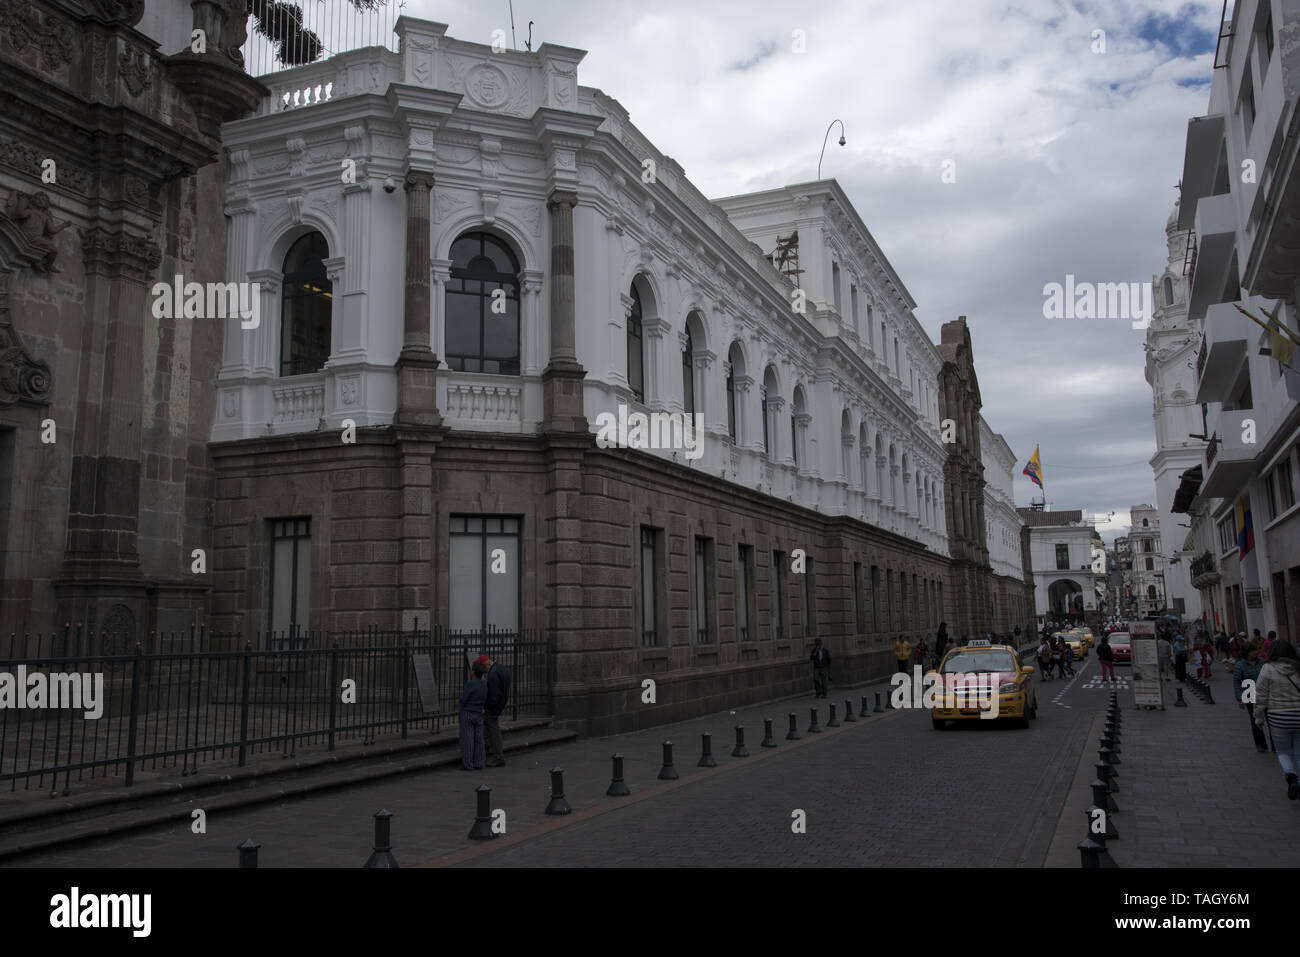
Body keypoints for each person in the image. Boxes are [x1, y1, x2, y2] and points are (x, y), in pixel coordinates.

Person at [1253, 640, 1300, 800]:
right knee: (1299, 753)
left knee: (1283, 751)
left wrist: (1258, 717)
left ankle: (1291, 777)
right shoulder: (1298, 667)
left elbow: (1260, 695)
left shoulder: (1268, 668)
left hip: (1278, 717)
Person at [1234, 640, 1269, 753]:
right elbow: (1237, 681)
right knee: (1255, 720)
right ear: (1247, 653)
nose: (1256, 652)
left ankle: (1275, 744)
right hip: (1249, 694)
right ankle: (1260, 744)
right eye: (1253, 650)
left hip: (1265, 694)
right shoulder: (1240, 665)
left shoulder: (1262, 662)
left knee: (1271, 720)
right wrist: (1240, 698)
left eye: (1256, 650)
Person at [480, 654, 511, 767]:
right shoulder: (502, 668)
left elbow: (494, 695)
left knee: (494, 731)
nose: (484, 671)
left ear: (487, 664)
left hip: (493, 707)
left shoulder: (493, 674)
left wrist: (489, 706)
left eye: (484, 668)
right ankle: (486, 748)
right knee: (489, 728)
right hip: (500, 705)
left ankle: (498, 756)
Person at [459, 660, 488, 771]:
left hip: (468, 713)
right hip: (479, 713)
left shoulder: (471, 684)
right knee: (479, 739)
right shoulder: (484, 685)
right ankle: (479, 762)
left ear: (474, 672)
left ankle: (468, 764)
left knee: (468, 739)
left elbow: (464, 699)